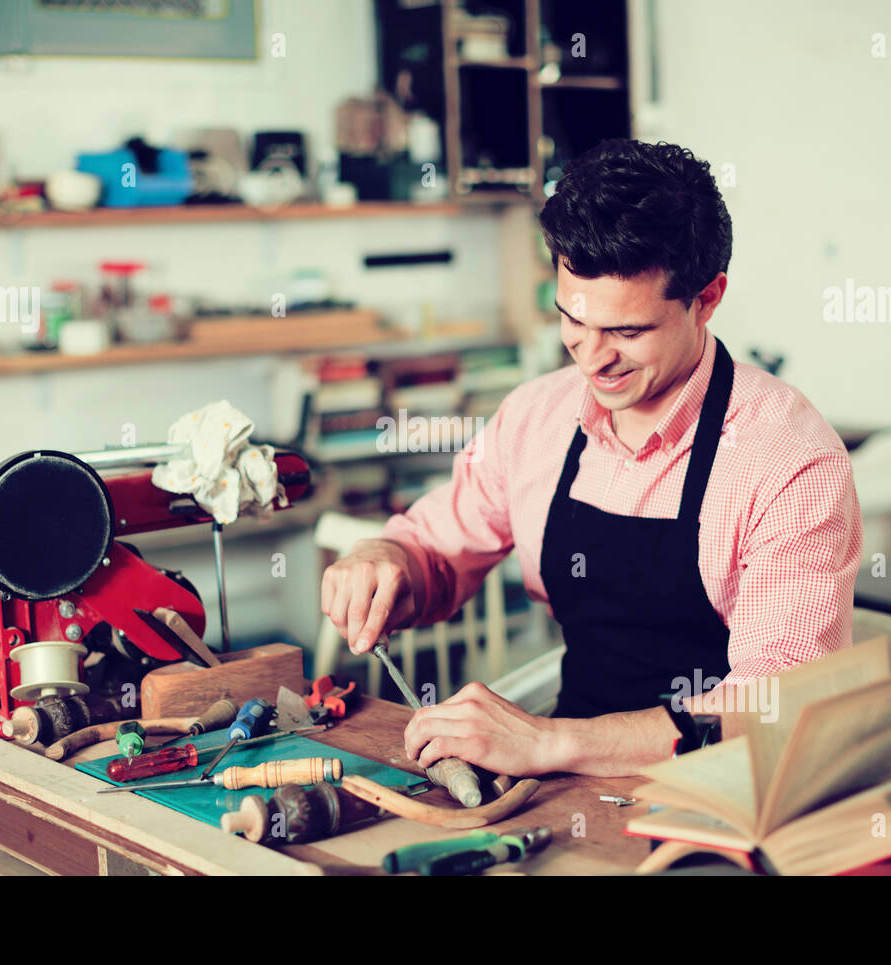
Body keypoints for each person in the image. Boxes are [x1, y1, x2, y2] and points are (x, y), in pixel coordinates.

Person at [320, 139, 863, 777]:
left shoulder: (788, 460)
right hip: (567, 778)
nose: (591, 358)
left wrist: (551, 744)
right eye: (572, 320)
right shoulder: (535, 416)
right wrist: (388, 563)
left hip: (728, 788)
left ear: (707, 298)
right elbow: (435, 551)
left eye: (628, 332)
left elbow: (778, 708)